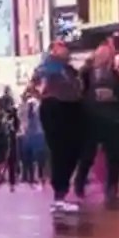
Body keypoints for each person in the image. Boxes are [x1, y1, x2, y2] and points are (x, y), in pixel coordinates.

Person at [33, 41, 85, 212]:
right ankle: (59, 194)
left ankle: (62, 191)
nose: (66, 50)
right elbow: (36, 86)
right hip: (56, 106)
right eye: (61, 47)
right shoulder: (47, 67)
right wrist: (45, 95)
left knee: (73, 150)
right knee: (60, 150)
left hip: (71, 107)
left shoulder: (69, 70)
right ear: (54, 50)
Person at [76, 43, 119, 200]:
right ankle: (80, 183)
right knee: (88, 154)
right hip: (93, 117)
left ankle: (111, 187)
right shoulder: (86, 73)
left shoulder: (114, 75)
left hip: (111, 118)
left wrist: (114, 98)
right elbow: (80, 93)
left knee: (113, 155)